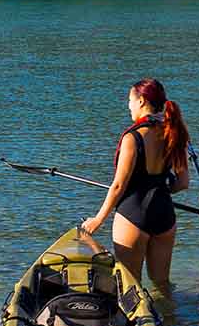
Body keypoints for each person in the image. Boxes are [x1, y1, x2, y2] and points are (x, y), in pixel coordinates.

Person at [79, 78, 189, 286]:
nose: (128, 105)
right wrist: (159, 189)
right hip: (164, 214)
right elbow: (183, 182)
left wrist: (98, 220)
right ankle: (168, 309)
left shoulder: (133, 137)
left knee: (130, 285)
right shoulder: (174, 133)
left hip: (133, 215)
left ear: (141, 101)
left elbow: (118, 186)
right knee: (162, 284)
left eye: (130, 100)